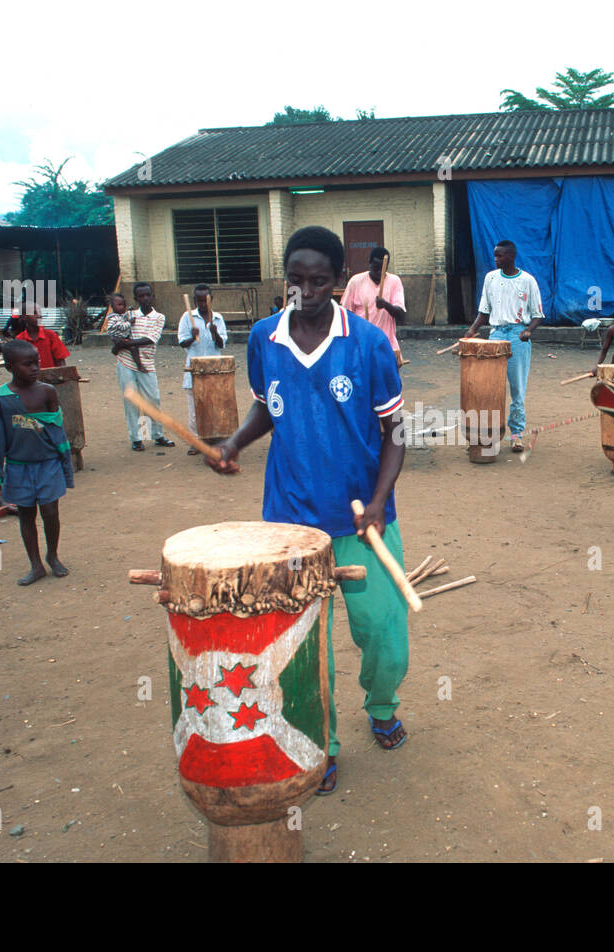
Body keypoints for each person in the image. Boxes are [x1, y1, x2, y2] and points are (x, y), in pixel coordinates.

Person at [206, 225, 409, 795]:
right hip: (291, 524)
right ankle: (324, 741)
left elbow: (396, 430)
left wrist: (375, 502)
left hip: (362, 523)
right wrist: (234, 443)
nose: (306, 290)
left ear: (338, 281)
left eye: (319, 280)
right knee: (303, 645)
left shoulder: (368, 343)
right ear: (286, 278)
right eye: (295, 279)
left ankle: (382, 703)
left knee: (385, 634)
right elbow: (265, 407)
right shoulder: (264, 338)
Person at [0, 339, 73, 586]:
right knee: (26, 515)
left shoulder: (47, 392)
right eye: (27, 364)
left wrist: (65, 462)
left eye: (37, 363)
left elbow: (56, 431)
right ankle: (36, 565)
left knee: (50, 512)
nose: (34, 368)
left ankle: (52, 556)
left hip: (48, 463)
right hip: (18, 466)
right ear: (10, 366)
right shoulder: (0, 398)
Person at [463, 240, 545, 452]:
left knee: (517, 388)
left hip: (518, 335)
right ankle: (488, 433)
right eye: (495, 256)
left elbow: (537, 315)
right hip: (496, 333)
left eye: (500, 256)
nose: (496, 259)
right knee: (491, 387)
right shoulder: (491, 278)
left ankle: (516, 434)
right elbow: (484, 311)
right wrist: (472, 330)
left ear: (511, 256)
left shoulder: (528, 281)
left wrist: (528, 331)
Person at [109, 282, 176, 451]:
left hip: (146, 364)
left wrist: (126, 343)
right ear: (136, 298)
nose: (145, 298)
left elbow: (150, 339)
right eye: (141, 296)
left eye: (148, 295)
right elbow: (117, 334)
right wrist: (121, 344)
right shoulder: (129, 314)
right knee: (131, 401)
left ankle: (157, 435)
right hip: (126, 362)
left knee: (152, 399)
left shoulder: (159, 317)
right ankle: (137, 438)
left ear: (153, 296)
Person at [177, 284, 227, 454]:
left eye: (205, 300)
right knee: (195, 409)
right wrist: (192, 336)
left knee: (215, 406)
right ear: (194, 301)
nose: (202, 304)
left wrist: (215, 333)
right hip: (194, 369)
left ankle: (215, 439)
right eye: (198, 301)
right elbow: (182, 342)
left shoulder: (218, 318)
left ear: (211, 299)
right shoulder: (187, 317)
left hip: (214, 370)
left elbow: (222, 344)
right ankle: (197, 441)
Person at [341, 247, 407, 366]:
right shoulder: (356, 281)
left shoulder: (394, 281)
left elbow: (401, 315)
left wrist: (386, 305)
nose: (378, 273)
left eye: (382, 270)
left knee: (390, 383)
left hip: (387, 344)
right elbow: (345, 313)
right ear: (369, 263)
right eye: (375, 268)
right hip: (362, 343)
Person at [16, 301, 70, 369]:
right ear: (24, 317)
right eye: (34, 313)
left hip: (52, 377)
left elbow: (61, 361)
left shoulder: (51, 335)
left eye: (40, 312)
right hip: (30, 379)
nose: (39, 315)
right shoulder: (20, 340)